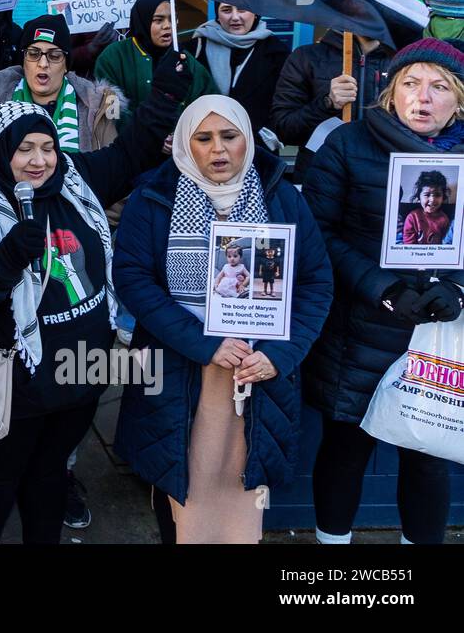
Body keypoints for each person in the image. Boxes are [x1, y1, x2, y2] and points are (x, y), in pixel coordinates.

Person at [0, 50, 194, 544]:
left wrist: (165, 93)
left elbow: (132, 151)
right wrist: (8, 255)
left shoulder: (75, 180)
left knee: (50, 473)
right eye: (25, 150)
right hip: (15, 378)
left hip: (81, 371)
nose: (39, 160)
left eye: (48, 147)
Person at [113, 96, 332, 544]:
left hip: (257, 372)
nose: (218, 150)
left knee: (242, 493)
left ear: (247, 141)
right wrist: (203, 342)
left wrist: (280, 355)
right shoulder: (153, 198)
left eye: (229, 137)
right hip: (178, 370)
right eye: (204, 138)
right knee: (180, 486)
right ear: (184, 145)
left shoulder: (281, 196)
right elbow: (134, 280)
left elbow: (315, 283)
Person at [303, 38, 464, 544]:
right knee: (344, 449)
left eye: (439, 87)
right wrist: (382, 287)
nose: (424, 96)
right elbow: (318, 233)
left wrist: (458, 290)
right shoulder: (348, 144)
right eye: (411, 83)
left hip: (438, 338)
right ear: (391, 92)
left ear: (458, 100)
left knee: (427, 457)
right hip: (359, 330)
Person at [0, 15, 127, 195]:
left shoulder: (94, 106)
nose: (43, 64)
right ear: (23, 61)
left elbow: (115, 178)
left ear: (66, 65)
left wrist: (96, 222)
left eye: (54, 55)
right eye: (33, 54)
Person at [269, 31, 394, 183]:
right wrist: (327, 103)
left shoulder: (401, 60)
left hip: (382, 177)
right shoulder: (306, 57)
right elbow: (284, 129)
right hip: (320, 177)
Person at [93, 0, 215, 132]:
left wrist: (180, 136)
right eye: (158, 20)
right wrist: (151, 136)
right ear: (143, 21)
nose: (167, 26)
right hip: (129, 147)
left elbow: (207, 102)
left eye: (172, 19)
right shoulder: (114, 56)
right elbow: (110, 111)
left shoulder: (184, 59)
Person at [189, 3, 289, 135]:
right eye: (226, 10)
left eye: (243, 9)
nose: (235, 17)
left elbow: (285, 104)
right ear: (217, 14)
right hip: (206, 142)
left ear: (256, 13)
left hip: (256, 146)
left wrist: (267, 133)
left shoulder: (276, 52)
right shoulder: (195, 48)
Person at [402, 169, 451, 245]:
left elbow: (446, 245)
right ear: (419, 197)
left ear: (443, 198)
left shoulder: (444, 220)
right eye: (427, 195)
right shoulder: (412, 218)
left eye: (437, 195)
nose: (432, 200)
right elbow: (408, 246)